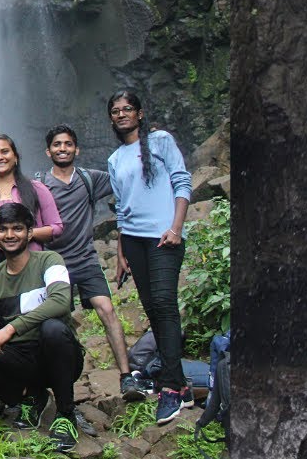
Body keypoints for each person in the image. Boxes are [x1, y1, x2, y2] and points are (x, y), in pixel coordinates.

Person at [0, 203, 83, 452]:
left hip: (59, 353)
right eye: (3, 229)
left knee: (52, 329)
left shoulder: (50, 260)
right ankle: (32, 397)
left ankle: (66, 415)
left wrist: (10, 329)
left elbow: (60, 301)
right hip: (20, 360)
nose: (10, 235)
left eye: (17, 228)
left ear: (30, 232)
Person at [106, 90, 193, 425]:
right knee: (154, 309)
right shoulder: (115, 159)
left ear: (140, 114)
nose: (122, 114)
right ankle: (180, 384)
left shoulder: (161, 141)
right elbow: (122, 210)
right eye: (116, 111)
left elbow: (182, 182)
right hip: (135, 243)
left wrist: (176, 227)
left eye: (128, 108)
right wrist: (120, 253)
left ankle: (171, 388)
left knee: (164, 303)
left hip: (163, 238)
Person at [38, 124, 134, 399]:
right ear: (48, 151)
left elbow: (125, 182)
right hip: (55, 264)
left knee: (107, 309)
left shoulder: (90, 179)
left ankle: (127, 377)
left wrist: (123, 240)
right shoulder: (41, 186)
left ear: (76, 149)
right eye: (57, 144)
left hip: (86, 259)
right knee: (59, 324)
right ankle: (63, 386)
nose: (63, 148)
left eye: (68, 144)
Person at [0, 135, 64, 270]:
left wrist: (26, 234)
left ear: (15, 157)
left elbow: (56, 227)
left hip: (32, 266)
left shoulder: (36, 189)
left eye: (5, 151)